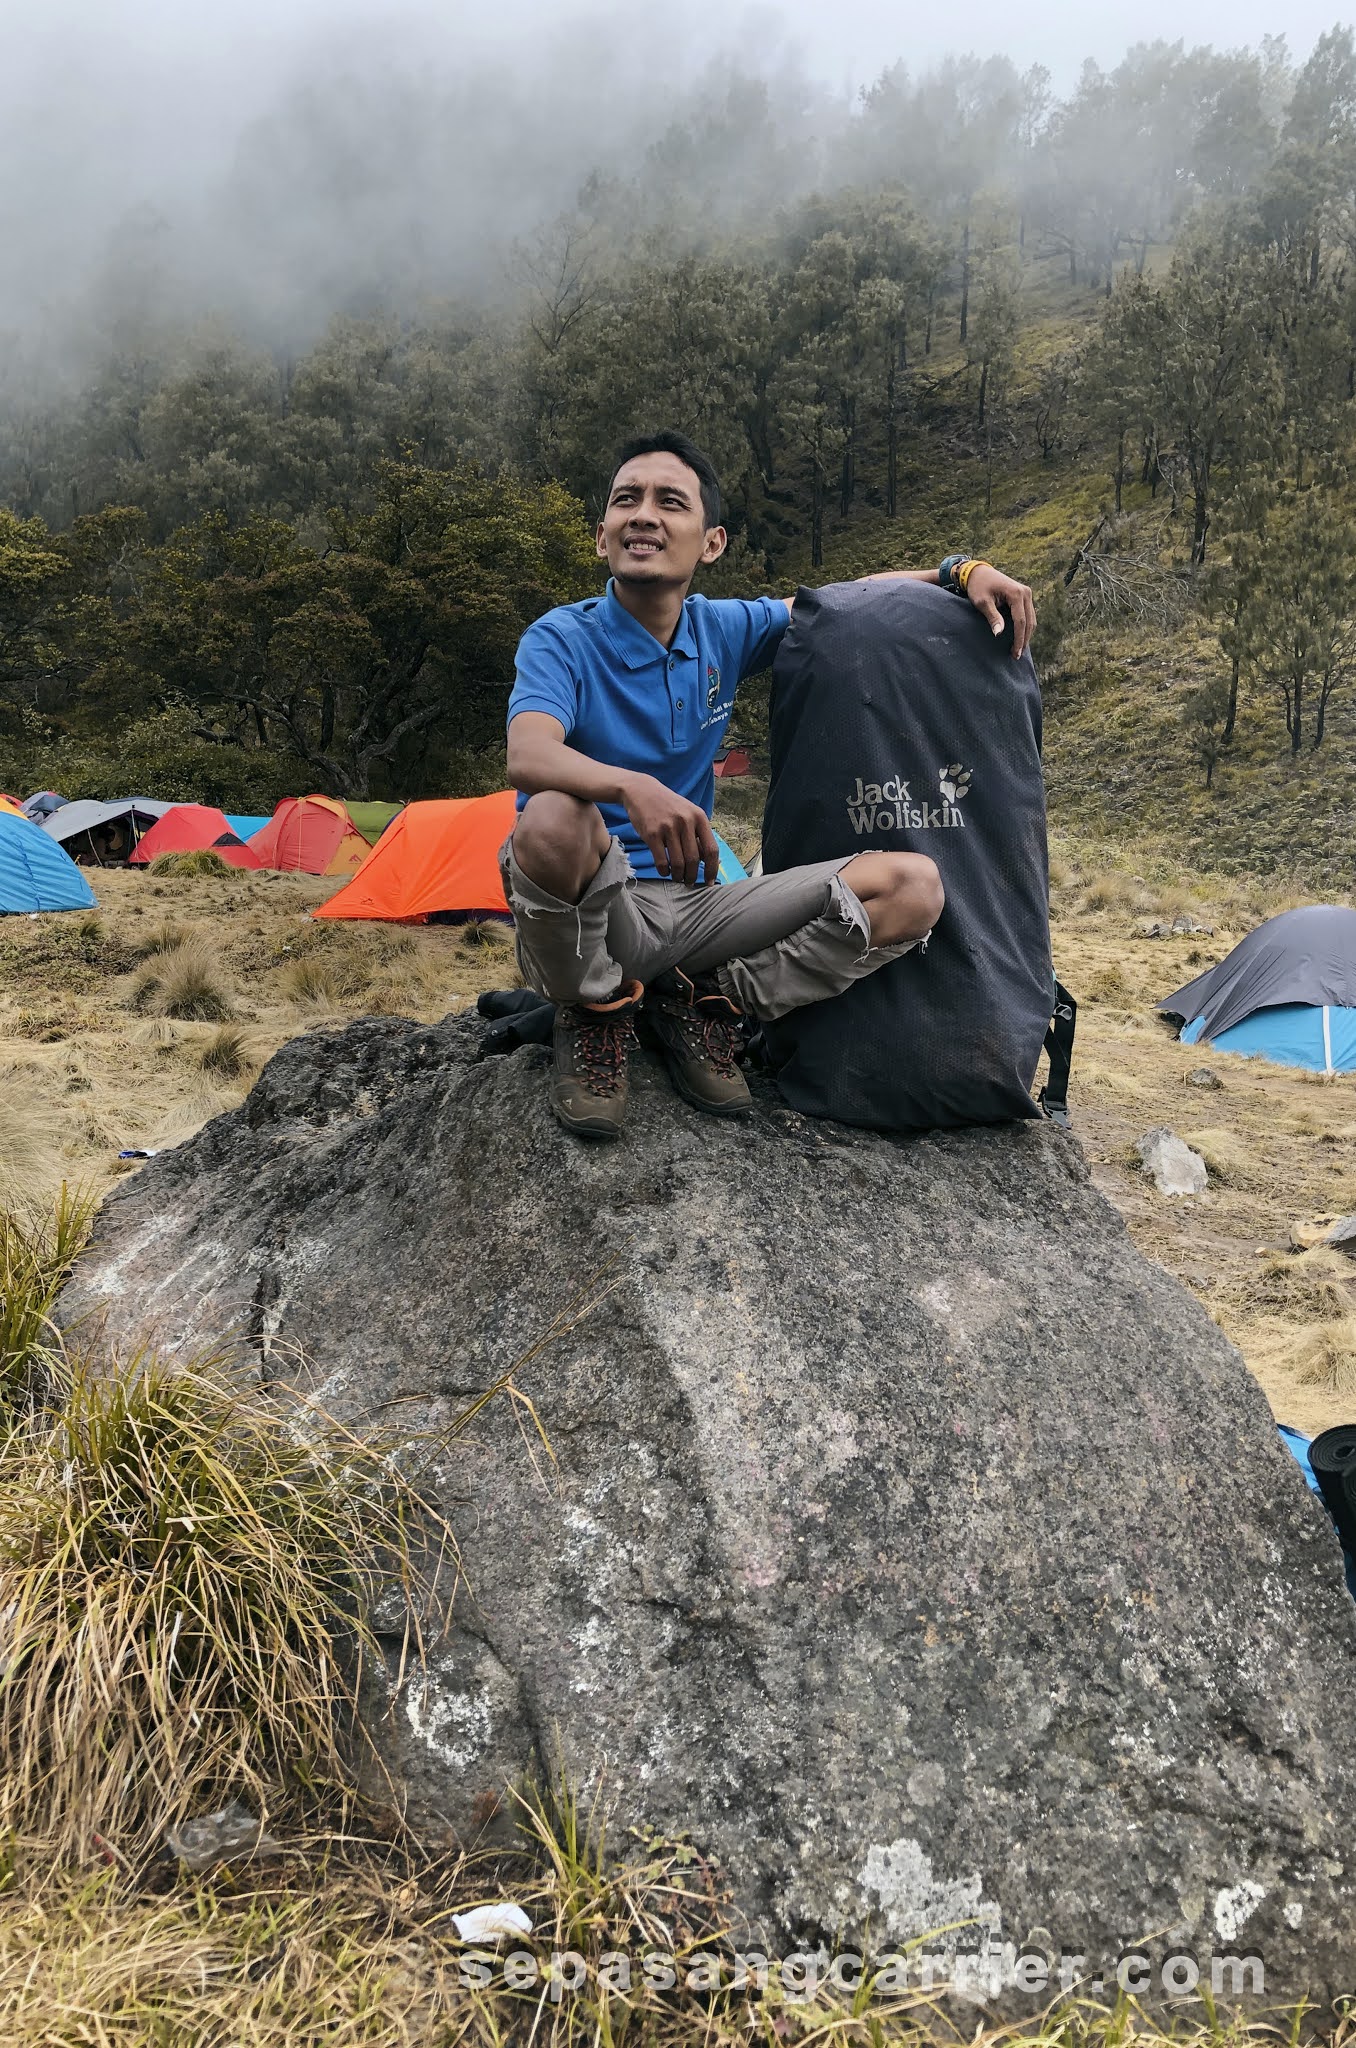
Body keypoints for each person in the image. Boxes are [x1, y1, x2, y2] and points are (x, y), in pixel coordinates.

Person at [501, 430, 1037, 1139]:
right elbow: (528, 753)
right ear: (602, 536)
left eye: (670, 502)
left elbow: (848, 600)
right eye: (626, 500)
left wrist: (959, 572)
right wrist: (631, 788)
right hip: (603, 912)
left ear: (711, 543)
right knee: (551, 818)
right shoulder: (561, 637)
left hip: (697, 907)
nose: (644, 515)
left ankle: (708, 1004)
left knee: (913, 887)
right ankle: (594, 1012)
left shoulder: (719, 630)